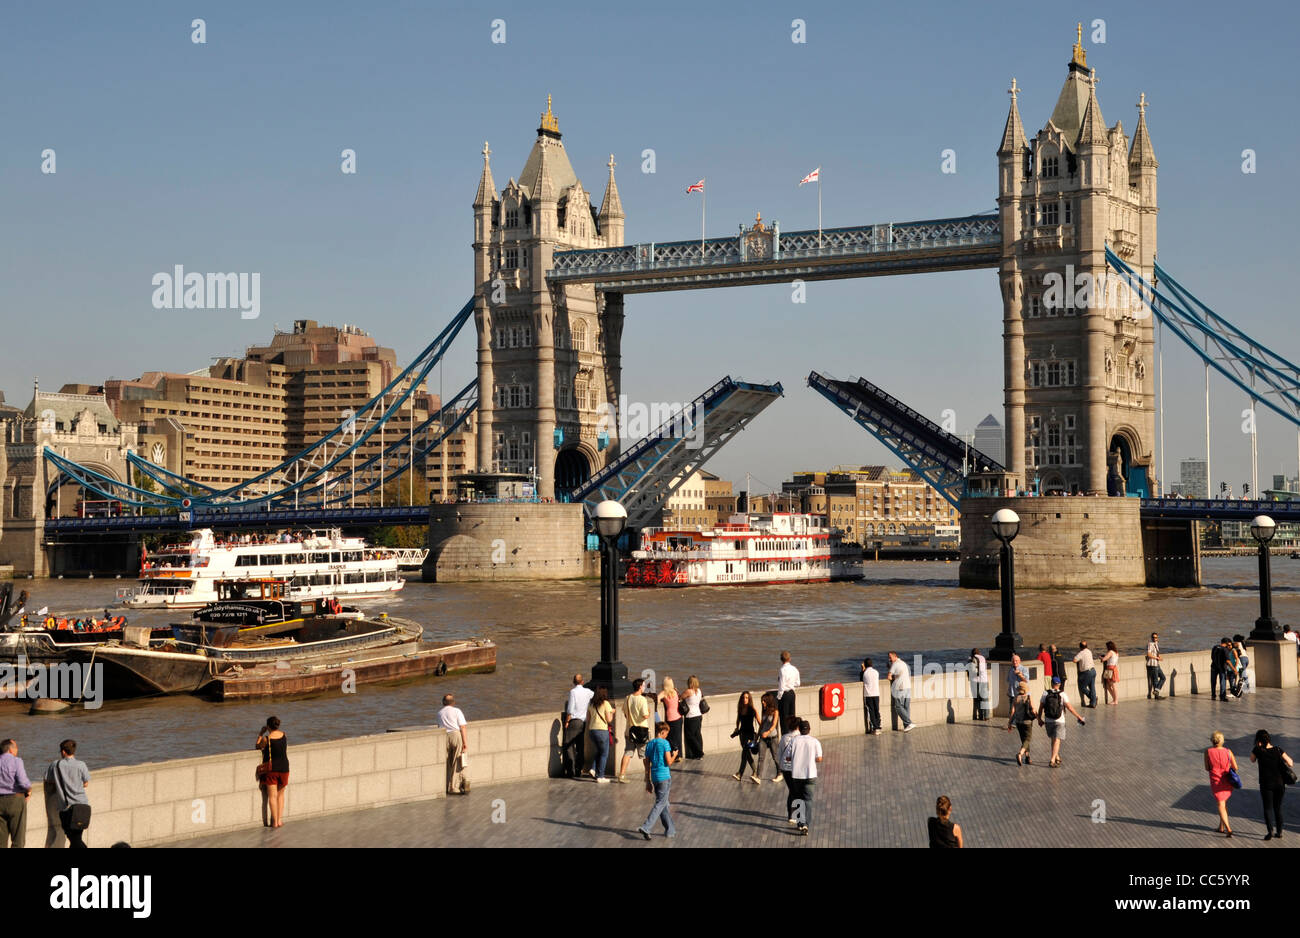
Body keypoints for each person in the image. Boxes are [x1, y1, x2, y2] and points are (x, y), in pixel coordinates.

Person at [45, 740, 90, 848]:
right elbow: (86, 783)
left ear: (63, 752)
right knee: (76, 838)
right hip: (83, 806)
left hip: (67, 808)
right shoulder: (81, 765)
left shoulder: (56, 765)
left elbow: (48, 780)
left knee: (75, 840)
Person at [636, 722, 677, 840]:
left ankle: (670, 830)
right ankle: (646, 827)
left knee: (663, 803)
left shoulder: (650, 744)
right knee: (660, 803)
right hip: (664, 776)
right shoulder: (665, 743)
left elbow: (646, 763)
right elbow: (669, 762)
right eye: (666, 733)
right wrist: (675, 755)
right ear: (662, 732)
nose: (666, 736)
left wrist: (647, 781)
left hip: (654, 777)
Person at [1250, 730, 1294, 840]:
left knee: (1268, 808)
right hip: (1279, 784)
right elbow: (1290, 763)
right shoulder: (1278, 750)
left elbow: (1252, 760)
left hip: (1266, 784)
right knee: (1278, 808)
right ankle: (1279, 832)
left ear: (1258, 740)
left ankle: (1270, 831)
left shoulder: (1257, 750)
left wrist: (1258, 747)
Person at [1036, 676, 1086, 767]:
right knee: (1057, 740)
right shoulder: (1062, 694)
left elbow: (1040, 708)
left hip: (1048, 720)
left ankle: (1057, 757)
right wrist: (1079, 716)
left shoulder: (1045, 693)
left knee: (1053, 740)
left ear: (1051, 684)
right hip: (1059, 720)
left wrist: (1039, 719)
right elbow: (1070, 708)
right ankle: (1052, 760)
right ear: (1059, 684)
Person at [786, 720, 823, 835]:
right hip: (810, 775)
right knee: (808, 800)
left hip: (797, 775)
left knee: (798, 799)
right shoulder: (815, 741)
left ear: (799, 729)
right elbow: (819, 758)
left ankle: (800, 824)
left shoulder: (793, 741)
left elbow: (787, 758)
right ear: (809, 730)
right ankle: (806, 824)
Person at [255, 716, 290, 828]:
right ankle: (279, 820)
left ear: (268, 726)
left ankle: (274, 822)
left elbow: (258, 746)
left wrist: (261, 733)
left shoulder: (267, 739)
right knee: (281, 795)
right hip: (284, 768)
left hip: (272, 770)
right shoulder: (284, 735)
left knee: (272, 796)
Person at [616, 678, 653, 783]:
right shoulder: (642, 700)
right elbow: (645, 715)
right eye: (644, 685)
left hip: (629, 730)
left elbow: (625, 713)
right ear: (640, 687)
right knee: (645, 755)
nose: (645, 687)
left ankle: (622, 775)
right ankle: (647, 777)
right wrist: (649, 712)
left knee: (628, 753)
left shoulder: (628, 698)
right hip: (642, 732)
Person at [1204, 731, 1240, 837]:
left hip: (1216, 781)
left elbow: (1207, 768)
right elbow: (1236, 767)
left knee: (1220, 804)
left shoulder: (1208, 751)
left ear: (1212, 740)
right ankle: (1221, 827)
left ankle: (1228, 829)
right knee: (1223, 804)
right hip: (1227, 781)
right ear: (1222, 740)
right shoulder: (1228, 751)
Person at [560, 673, 594, 779]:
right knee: (580, 746)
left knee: (568, 744)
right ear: (582, 682)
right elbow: (594, 695)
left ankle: (571, 769)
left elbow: (570, 709)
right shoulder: (588, 692)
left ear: (573, 682)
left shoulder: (573, 692)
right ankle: (579, 769)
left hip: (574, 721)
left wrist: (566, 721)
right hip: (583, 722)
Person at [0, 739, 31, 848]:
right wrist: (29, 790)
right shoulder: (16, 761)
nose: (17, 750)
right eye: (16, 747)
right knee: (18, 839)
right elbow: (23, 782)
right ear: (10, 749)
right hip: (15, 799)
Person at [437, 693, 470, 795]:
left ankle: (447, 785)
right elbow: (463, 727)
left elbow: (439, 726)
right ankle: (454, 787)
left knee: (448, 761)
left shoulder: (439, 713)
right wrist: (465, 743)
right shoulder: (457, 711)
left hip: (444, 736)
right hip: (456, 735)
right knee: (457, 760)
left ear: (443, 703)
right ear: (453, 702)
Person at [586, 686, 615, 783]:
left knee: (599, 751)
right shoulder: (606, 703)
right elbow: (609, 719)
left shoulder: (591, 704)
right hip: (602, 731)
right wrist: (612, 712)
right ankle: (600, 776)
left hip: (592, 731)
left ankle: (593, 769)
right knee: (604, 754)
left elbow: (588, 719)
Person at [1005, 681, 1036, 766]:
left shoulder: (1016, 698)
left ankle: (1027, 757)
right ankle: (1020, 754)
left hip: (1018, 722)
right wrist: (1037, 715)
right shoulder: (1028, 697)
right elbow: (1033, 709)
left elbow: (1012, 711)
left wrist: (1010, 723)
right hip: (1027, 722)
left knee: (1023, 739)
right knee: (1028, 739)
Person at [730, 691, 759, 781]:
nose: (744, 699)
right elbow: (738, 719)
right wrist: (736, 728)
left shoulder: (752, 709)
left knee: (744, 754)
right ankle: (755, 771)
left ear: (749, 699)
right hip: (742, 734)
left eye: (746, 698)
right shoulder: (741, 708)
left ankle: (740, 774)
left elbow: (760, 722)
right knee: (747, 755)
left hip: (750, 735)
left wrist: (759, 734)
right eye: (743, 697)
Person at [754, 691, 783, 782]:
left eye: (764, 701)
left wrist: (768, 732)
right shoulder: (764, 711)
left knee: (775, 757)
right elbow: (762, 724)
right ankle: (758, 777)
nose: (762, 702)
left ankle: (780, 773)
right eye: (762, 701)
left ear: (768, 701)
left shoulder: (775, 711)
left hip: (772, 737)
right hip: (763, 738)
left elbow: (774, 724)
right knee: (761, 757)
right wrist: (757, 736)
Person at [778, 714, 800, 825]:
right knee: (796, 791)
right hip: (797, 768)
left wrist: (780, 768)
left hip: (785, 768)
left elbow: (779, 754)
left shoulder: (784, 738)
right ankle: (796, 814)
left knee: (791, 790)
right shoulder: (801, 737)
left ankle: (791, 814)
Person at [887, 651, 915, 732]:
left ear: (895, 656)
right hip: (908, 687)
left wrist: (892, 675)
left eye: (890, 657)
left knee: (898, 706)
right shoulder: (903, 663)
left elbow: (889, 677)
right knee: (906, 707)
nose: (889, 659)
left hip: (901, 687)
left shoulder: (895, 664)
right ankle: (907, 726)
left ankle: (909, 723)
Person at [681, 675, 705, 760]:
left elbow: (680, 698)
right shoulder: (699, 691)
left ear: (689, 682)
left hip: (690, 716)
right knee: (698, 734)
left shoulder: (688, 691)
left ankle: (699, 753)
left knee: (689, 736)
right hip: (698, 715)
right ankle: (699, 753)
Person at [776, 651, 800, 729]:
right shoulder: (794, 669)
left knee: (784, 718)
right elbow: (798, 683)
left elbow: (781, 686)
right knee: (792, 717)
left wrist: (779, 697)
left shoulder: (782, 670)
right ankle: (793, 732)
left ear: (781, 659)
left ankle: (785, 735)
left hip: (785, 695)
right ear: (790, 659)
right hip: (792, 693)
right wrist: (791, 684)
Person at [660, 677, 684, 756]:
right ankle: (679, 755)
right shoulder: (675, 691)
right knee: (678, 738)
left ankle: (672, 754)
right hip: (679, 717)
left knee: (669, 738)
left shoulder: (664, 693)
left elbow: (656, 699)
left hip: (670, 718)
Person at [1073, 640, 1098, 709]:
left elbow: (1074, 660)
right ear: (1086, 646)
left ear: (1080, 647)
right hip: (1093, 670)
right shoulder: (1089, 651)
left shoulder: (1081, 653)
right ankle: (1093, 703)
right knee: (1092, 687)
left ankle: (1093, 699)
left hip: (1087, 673)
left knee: (1082, 687)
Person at [861, 657, 882, 735]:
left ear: (865, 665)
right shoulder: (876, 672)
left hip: (868, 694)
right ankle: (879, 726)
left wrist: (862, 669)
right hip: (876, 693)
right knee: (877, 710)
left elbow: (861, 679)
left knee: (871, 711)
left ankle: (874, 728)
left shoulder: (865, 673)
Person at [968, 649, 990, 721]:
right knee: (985, 699)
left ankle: (979, 716)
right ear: (979, 652)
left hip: (974, 681)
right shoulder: (982, 658)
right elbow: (983, 669)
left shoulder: (971, 658)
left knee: (977, 699)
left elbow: (970, 669)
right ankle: (986, 716)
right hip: (983, 680)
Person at [1210, 637, 1232, 702]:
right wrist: (1234, 669)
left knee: (1213, 682)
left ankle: (1213, 695)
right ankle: (1222, 697)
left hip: (1213, 667)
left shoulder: (1215, 647)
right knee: (1222, 682)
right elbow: (1228, 661)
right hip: (1222, 668)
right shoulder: (1225, 650)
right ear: (1227, 643)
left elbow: (1212, 657)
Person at [1145, 631, 1166, 699]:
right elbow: (1148, 654)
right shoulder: (1150, 644)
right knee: (1155, 680)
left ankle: (1156, 692)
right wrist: (1156, 658)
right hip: (1153, 665)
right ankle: (1157, 696)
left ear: (1157, 638)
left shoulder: (1156, 644)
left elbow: (1157, 653)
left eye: (1156, 637)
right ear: (1151, 638)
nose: (1155, 639)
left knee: (1163, 677)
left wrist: (1159, 657)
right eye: (1153, 637)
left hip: (1157, 664)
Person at [1101, 641, 1120, 705]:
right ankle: (1114, 699)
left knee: (1112, 685)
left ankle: (1115, 700)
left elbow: (1104, 659)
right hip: (1113, 668)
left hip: (1110, 669)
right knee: (1109, 685)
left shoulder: (1110, 652)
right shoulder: (1116, 653)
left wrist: (1101, 658)